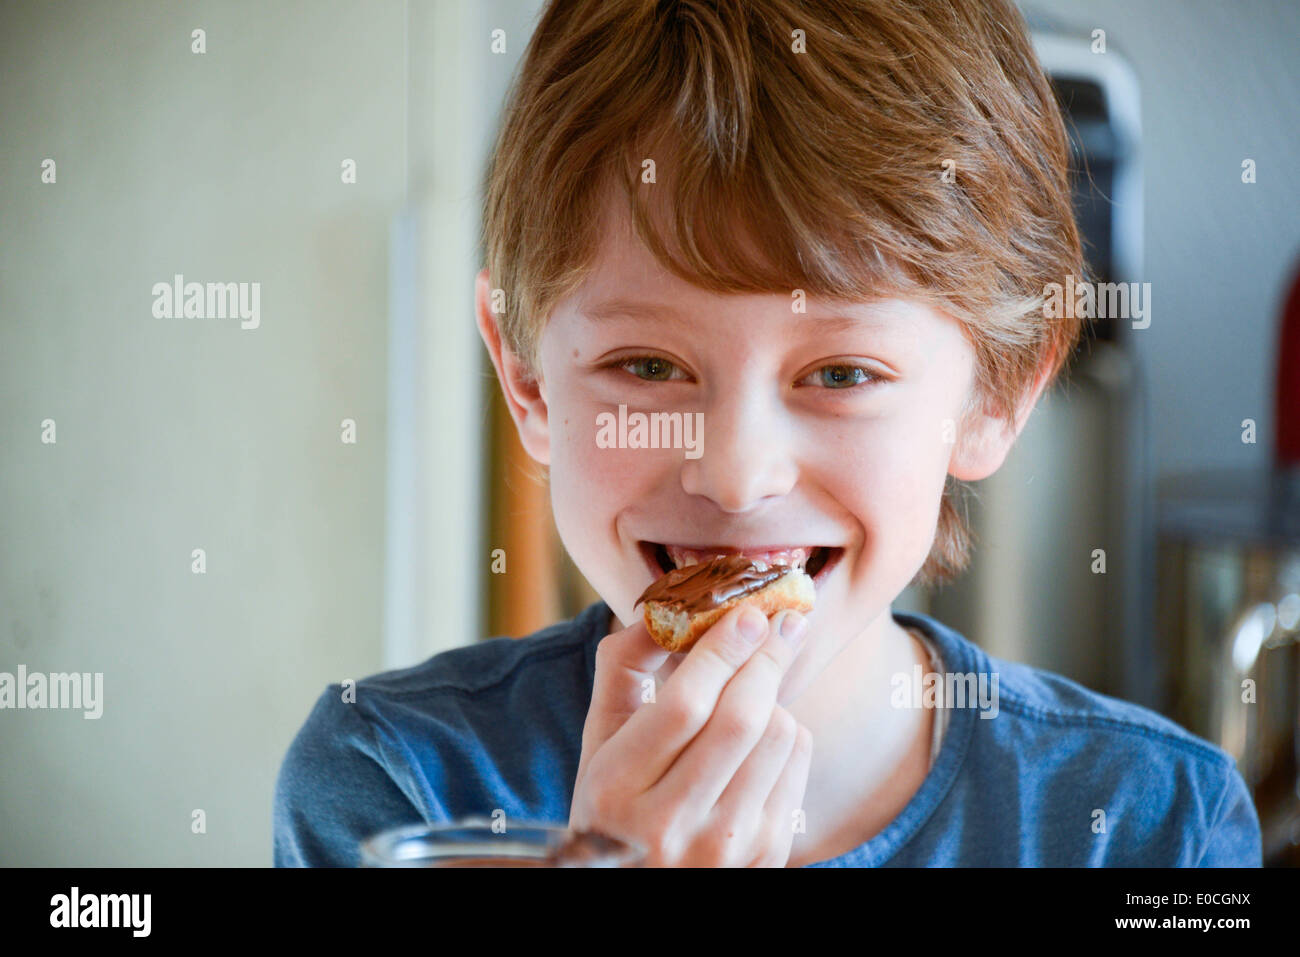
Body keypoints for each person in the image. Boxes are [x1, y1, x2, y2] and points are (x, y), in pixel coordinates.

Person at [274, 0, 1261, 867]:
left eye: (840, 374)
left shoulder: (1151, 825)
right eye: (648, 367)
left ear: (996, 394)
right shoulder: (395, 790)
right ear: (526, 379)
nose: (738, 477)